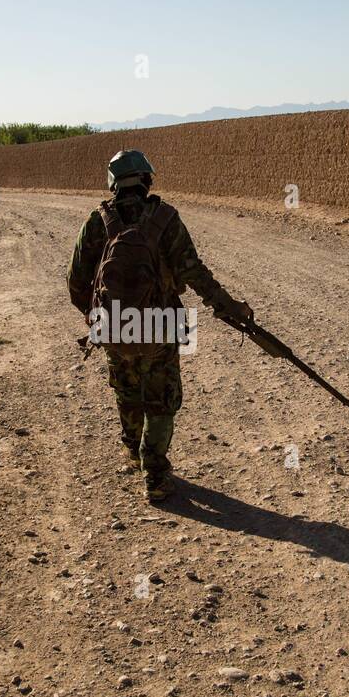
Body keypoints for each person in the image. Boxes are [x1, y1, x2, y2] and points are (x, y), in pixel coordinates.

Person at [67, 149, 252, 501]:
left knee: (126, 390)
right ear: (146, 179)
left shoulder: (96, 222)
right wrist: (227, 306)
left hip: (112, 326)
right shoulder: (166, 219)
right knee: (161, 399)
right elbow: (193, 272)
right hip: (160, 324)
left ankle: (132, 451)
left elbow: (76, 280)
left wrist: (97, 316)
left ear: (114, 184)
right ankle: (154, 474)